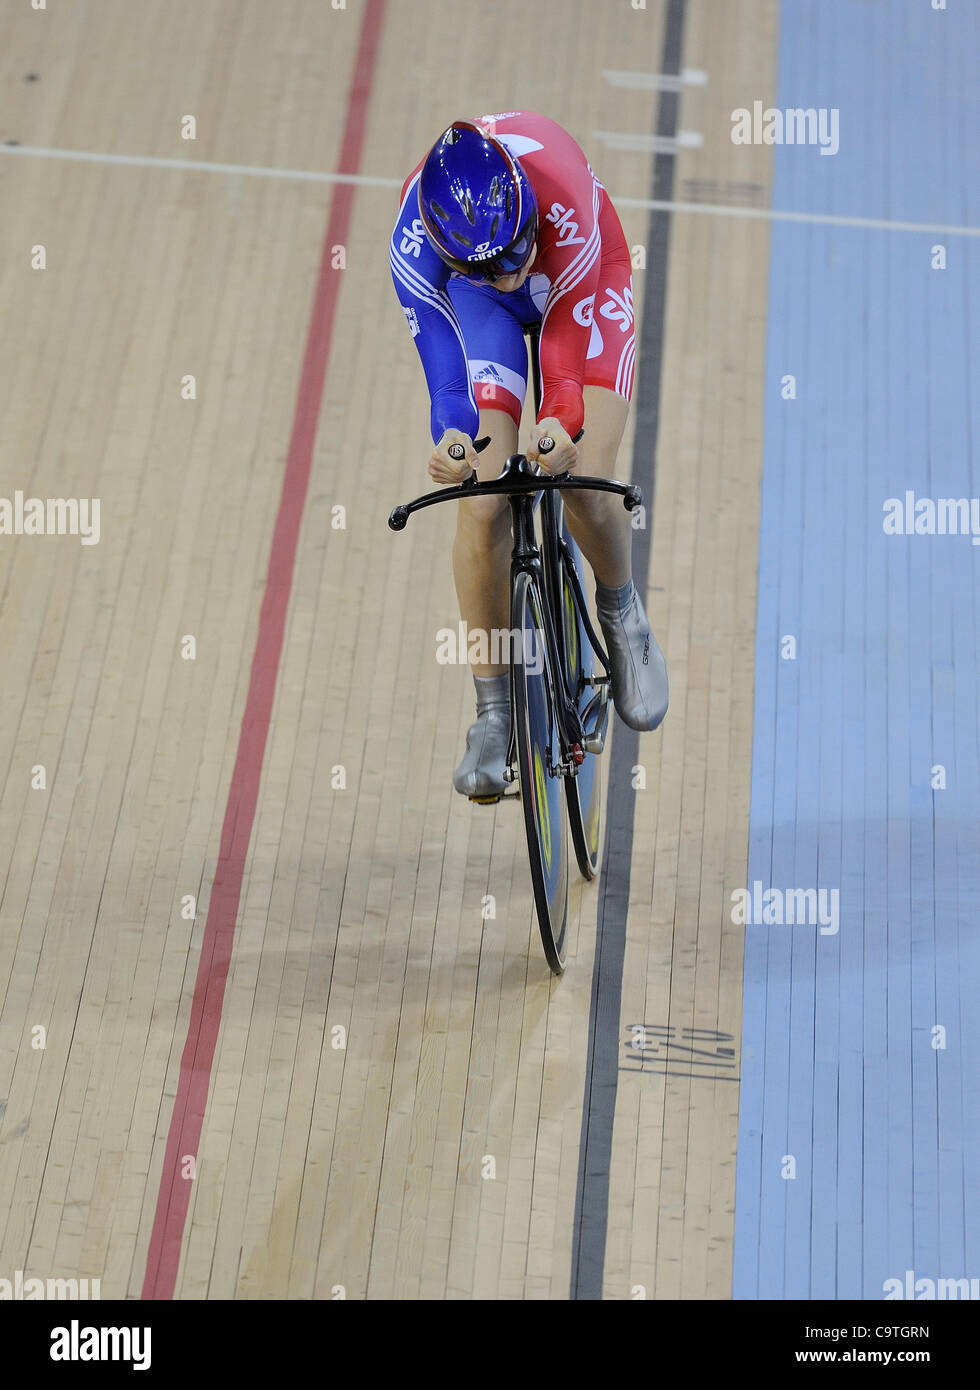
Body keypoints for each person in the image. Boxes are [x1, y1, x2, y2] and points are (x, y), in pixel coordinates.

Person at [390, 112, 668, 801]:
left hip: (583, 280)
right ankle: (491, 714)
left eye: (516, 248)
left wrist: (558, 424)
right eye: (491, 263)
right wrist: (453, 442)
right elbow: (447, 383)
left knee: (578, 474)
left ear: (523, 204)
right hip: (475, 312)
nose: (511, 272)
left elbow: (565, 373)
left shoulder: (562, 188)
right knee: (481, 507)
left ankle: (622, 616)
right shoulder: (413, 247)